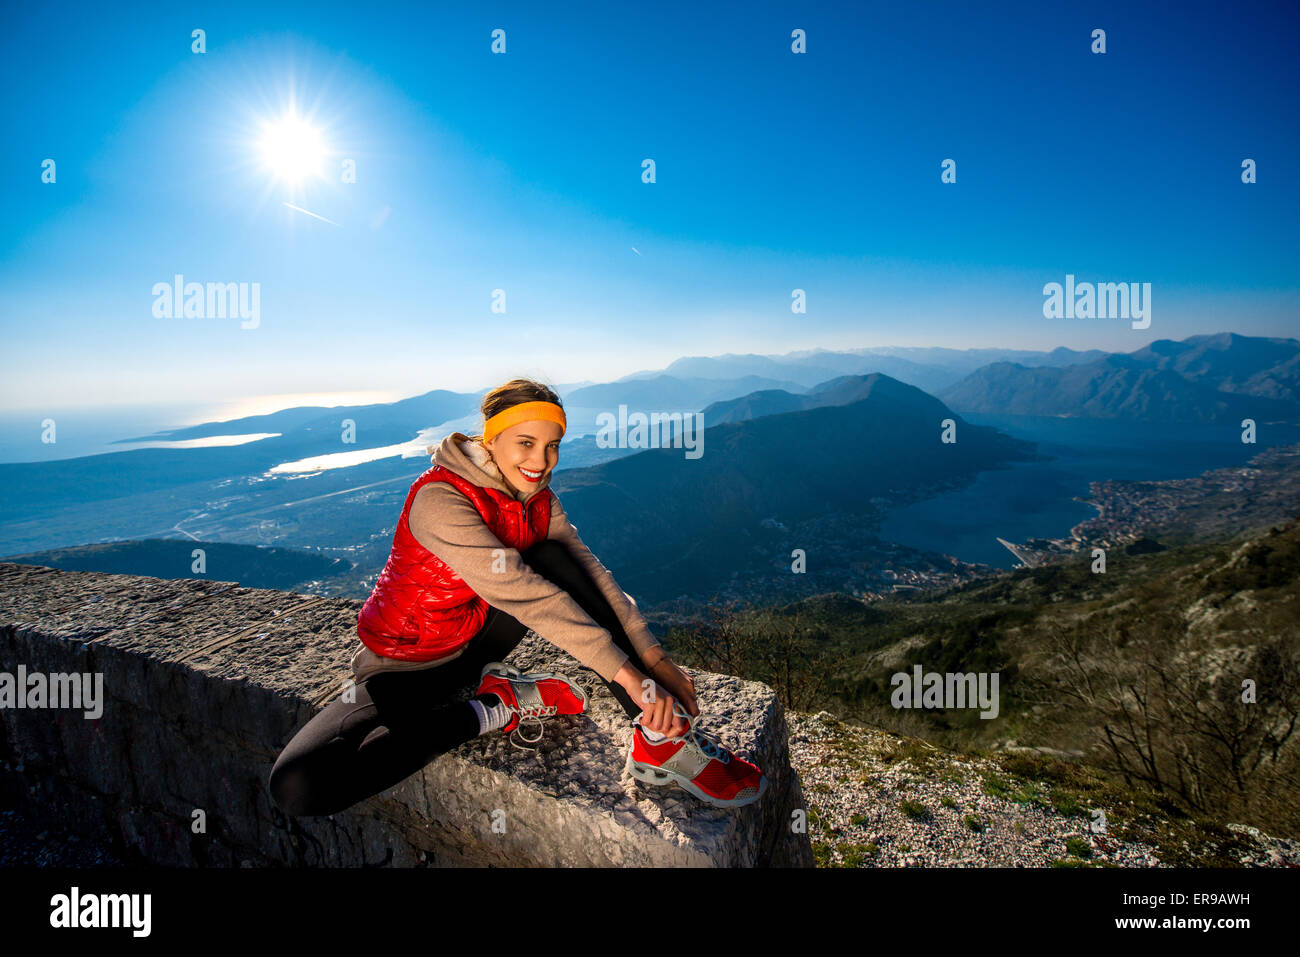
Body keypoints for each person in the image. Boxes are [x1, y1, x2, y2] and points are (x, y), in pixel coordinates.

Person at [268, 377, 765, 817]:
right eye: (525, 443)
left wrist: (653, 659)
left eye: (552, 446)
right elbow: (530, 599)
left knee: (557, 558)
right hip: (404, 667)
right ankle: (501, 705)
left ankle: (660, 739)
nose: (541, 461)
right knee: (297, 786)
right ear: (491, 439)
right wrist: (633, 677)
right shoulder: (439, 500)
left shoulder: (538, 500)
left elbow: (588, 573)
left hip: (478, 641)